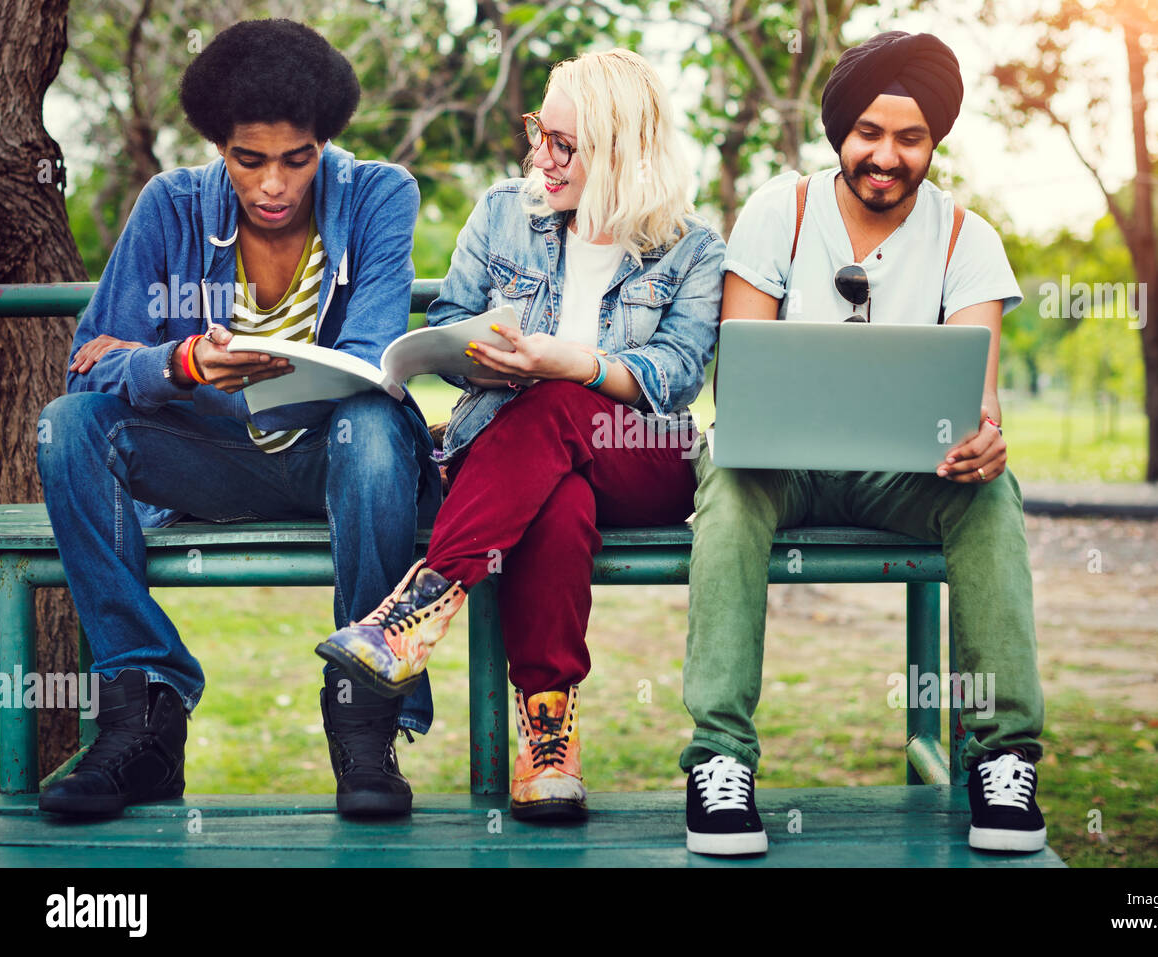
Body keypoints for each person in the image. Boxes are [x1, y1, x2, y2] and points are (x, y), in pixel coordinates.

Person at [36, 19, 439, 819]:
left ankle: (364, 715)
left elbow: (370, 355)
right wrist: (182, 362)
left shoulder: (379, 195)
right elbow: (92, 356)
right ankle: (143, 712)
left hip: (345, 457)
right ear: (218, 148)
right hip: (217, 459)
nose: (274, 186)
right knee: (68, 426)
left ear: (324, 143)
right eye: (248, 160)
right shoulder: (171, 205)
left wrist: (190, 365)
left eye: (298, 158)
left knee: (369, 426)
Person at [316, 48, 723, 821]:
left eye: (562, 142)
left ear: (619, 148)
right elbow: (446, 321)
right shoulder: (505, 209)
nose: (540, 155)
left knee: (562, 403)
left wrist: (565, 361)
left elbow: (674, 375)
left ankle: (420, 606)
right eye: (540, 132)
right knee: (558, 499)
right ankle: (548, 733)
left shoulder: (694, 247)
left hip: (641, 458)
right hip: (509, 458)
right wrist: (483, 363)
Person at [679, 31, 1047, 856]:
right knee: (730, 482)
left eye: (910, 138)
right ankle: (720, 762)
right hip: (780, 467)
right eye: (870, 134)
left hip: (904, 475)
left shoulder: (967, 238)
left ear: (934, 141)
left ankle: (1002, 758)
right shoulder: (782, 210)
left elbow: (977, 399)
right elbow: (739, 372)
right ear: (840, 132)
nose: (886, 156)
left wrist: (985, 442)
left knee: (993, 490)